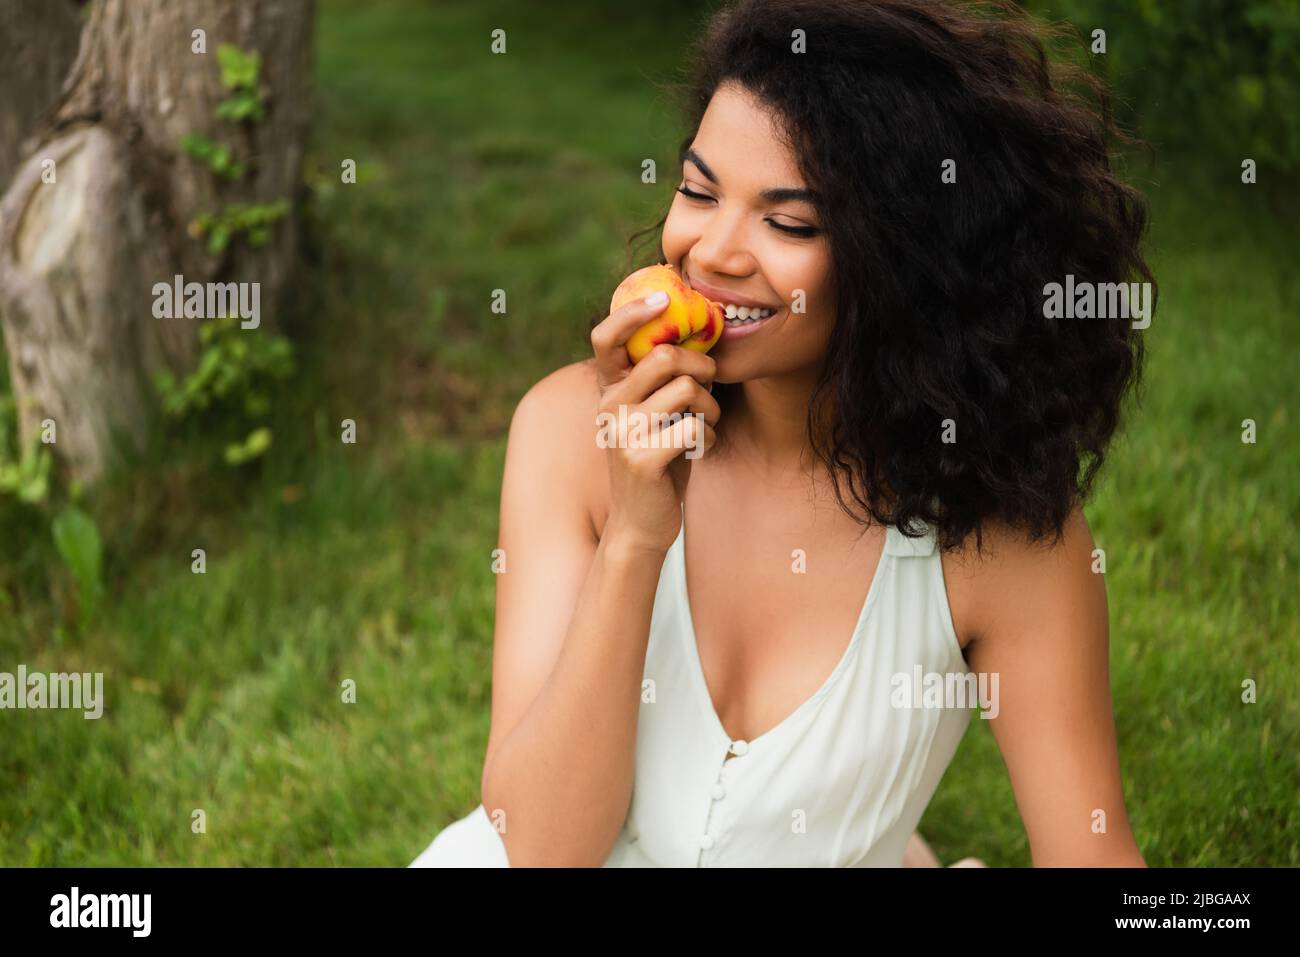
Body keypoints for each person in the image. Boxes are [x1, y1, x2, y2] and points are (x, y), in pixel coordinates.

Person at [411, 0, 1151, 868]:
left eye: (788, 221)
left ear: (906, 260)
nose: (712, 251)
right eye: (697, 189)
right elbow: (538, 851)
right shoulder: (569, 430)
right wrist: (635, 537)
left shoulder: (1001, 538)